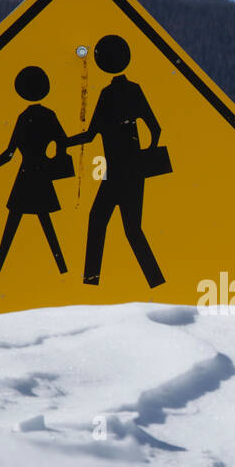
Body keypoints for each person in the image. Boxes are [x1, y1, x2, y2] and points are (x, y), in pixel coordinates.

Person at [65, 34, 166, 288]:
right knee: (130, 229)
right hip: (130, 172)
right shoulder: (133, 90)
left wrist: (64, 142)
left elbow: (90, 135)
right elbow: (155, 129)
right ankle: (154, 282)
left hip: (116, 173)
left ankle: (91, 281)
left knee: (101, 222)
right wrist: (144, 156)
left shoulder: (107, 94)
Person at [0, 66, 71, 274]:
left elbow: (10, 152)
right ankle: (62, 268)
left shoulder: (24, 118)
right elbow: (63, 141)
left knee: (13, 224)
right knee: (45, 224)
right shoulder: (49, 115)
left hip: (26, 175)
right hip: (41, 174)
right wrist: (54, 160)